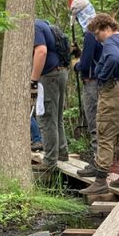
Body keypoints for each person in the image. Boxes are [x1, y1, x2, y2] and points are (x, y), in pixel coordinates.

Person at [77, 13, 119, 195]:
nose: (97, 39)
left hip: (116, 90)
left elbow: (114, 58)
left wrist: (103, 77)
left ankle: (100, 180)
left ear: (106, 28)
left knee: (105, 133)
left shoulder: (111, 43)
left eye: (97, 34)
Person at [31, 18, 69, 169]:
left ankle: (50, 159)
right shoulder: (46, 25)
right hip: (60, 73)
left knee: (46, 117)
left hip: (48, 77)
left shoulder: (34, 27)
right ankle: (62, 152)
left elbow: (41, 51)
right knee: (57, 117)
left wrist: (33, 79)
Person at [69, 0, 102, 153]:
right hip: (103, 81)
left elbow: (86, 64)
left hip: (92, 82)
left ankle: (99, 161)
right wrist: (80, 53)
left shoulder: (90, 34)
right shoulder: (103, 29)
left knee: (94, 119)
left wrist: (76, 64)